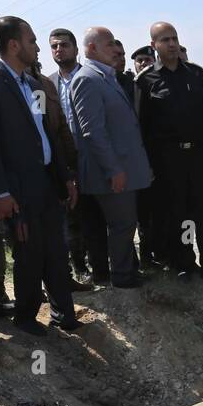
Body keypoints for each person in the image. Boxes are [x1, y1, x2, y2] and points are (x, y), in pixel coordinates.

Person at [0, 17, 81, 337]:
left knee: (56, 251)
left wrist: (66, 178)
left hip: (46, 182)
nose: (37, 47)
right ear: (14, 44)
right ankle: (26, 315)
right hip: (17, 188)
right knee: (28, 253)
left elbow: (47, 134)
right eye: (32, 41)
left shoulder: (34, 84)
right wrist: (0, 191)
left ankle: (63, 313)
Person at [135, 21, 203, 282]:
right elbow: (141, 128)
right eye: (165, 39)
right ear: (154, 45)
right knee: (178, 213)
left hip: (198, 156)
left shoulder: (196, 75)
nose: (172, 44)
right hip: (168, 160)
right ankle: (186, 262)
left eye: (175, 38)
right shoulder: (146, 81)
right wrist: (148, 165)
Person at [69, 26, 152, 289]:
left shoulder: (107, 76)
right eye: (109, 45)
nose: (116, 50)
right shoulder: (87, 79)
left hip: (126, 166)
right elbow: (92, 131)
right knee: (121, 225)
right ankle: (122, 277)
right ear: (92, 48)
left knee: (126, 224)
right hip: (112, 172)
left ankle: (127, 271)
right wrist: (113, 169)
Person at [46, 27, 97, 290]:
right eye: (54, 46)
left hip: (94, 156)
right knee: (72, 216)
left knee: (96, 213)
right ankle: (79, 268)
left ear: (76, 49)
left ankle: (100, 264)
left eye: (64, 45)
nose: (59, 50)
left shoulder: (91, 77)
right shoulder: (47, 84)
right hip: (66, 160)